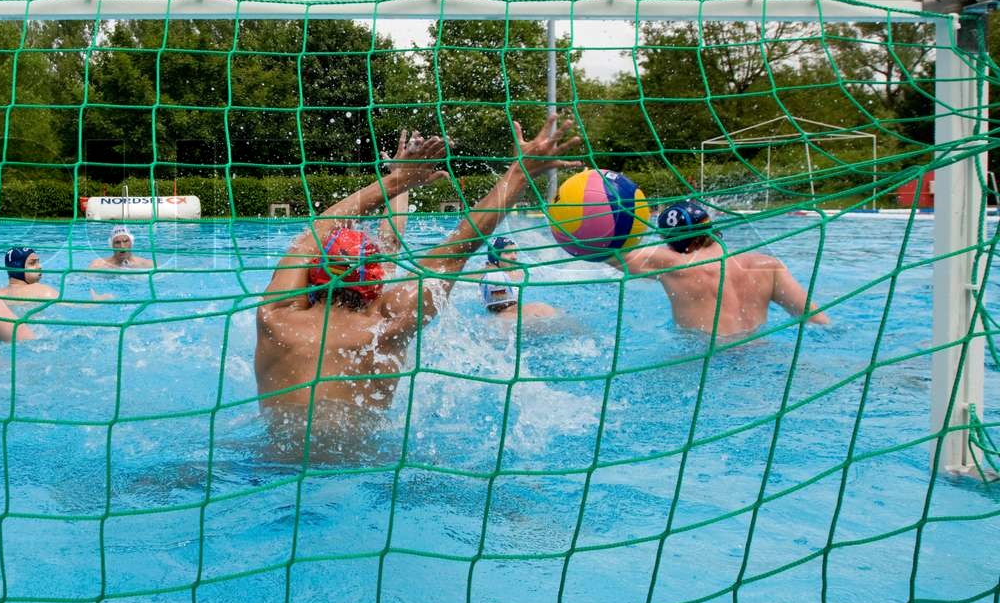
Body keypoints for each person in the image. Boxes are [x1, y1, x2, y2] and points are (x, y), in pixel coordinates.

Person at [253, 116, 580, 457]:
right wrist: (520, 171)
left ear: (311, 273)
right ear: (376, 282)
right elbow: (458, 248)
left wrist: (396, 181)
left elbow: (316, 231)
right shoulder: (387, 325)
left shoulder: (275, 316)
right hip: (357, 464)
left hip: (271, 460)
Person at [611, 199, 830, 337]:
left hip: (704, 360)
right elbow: (818, 321)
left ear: (670, 241)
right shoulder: (766, 265)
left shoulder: (672, 263)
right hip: (759, 355)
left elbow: (606, 255)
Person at [472, 237, 560, 324]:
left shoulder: (522, 272)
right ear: (495, 256)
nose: (514, 257)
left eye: (515, 252)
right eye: (507, 252)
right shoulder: (483, 275)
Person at [88, 225, 154, 271]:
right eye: (117, 242)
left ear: (131, 243)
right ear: (112, 245)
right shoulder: (98, 265)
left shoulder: (147, 264)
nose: (122, 246)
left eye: (125, 241)